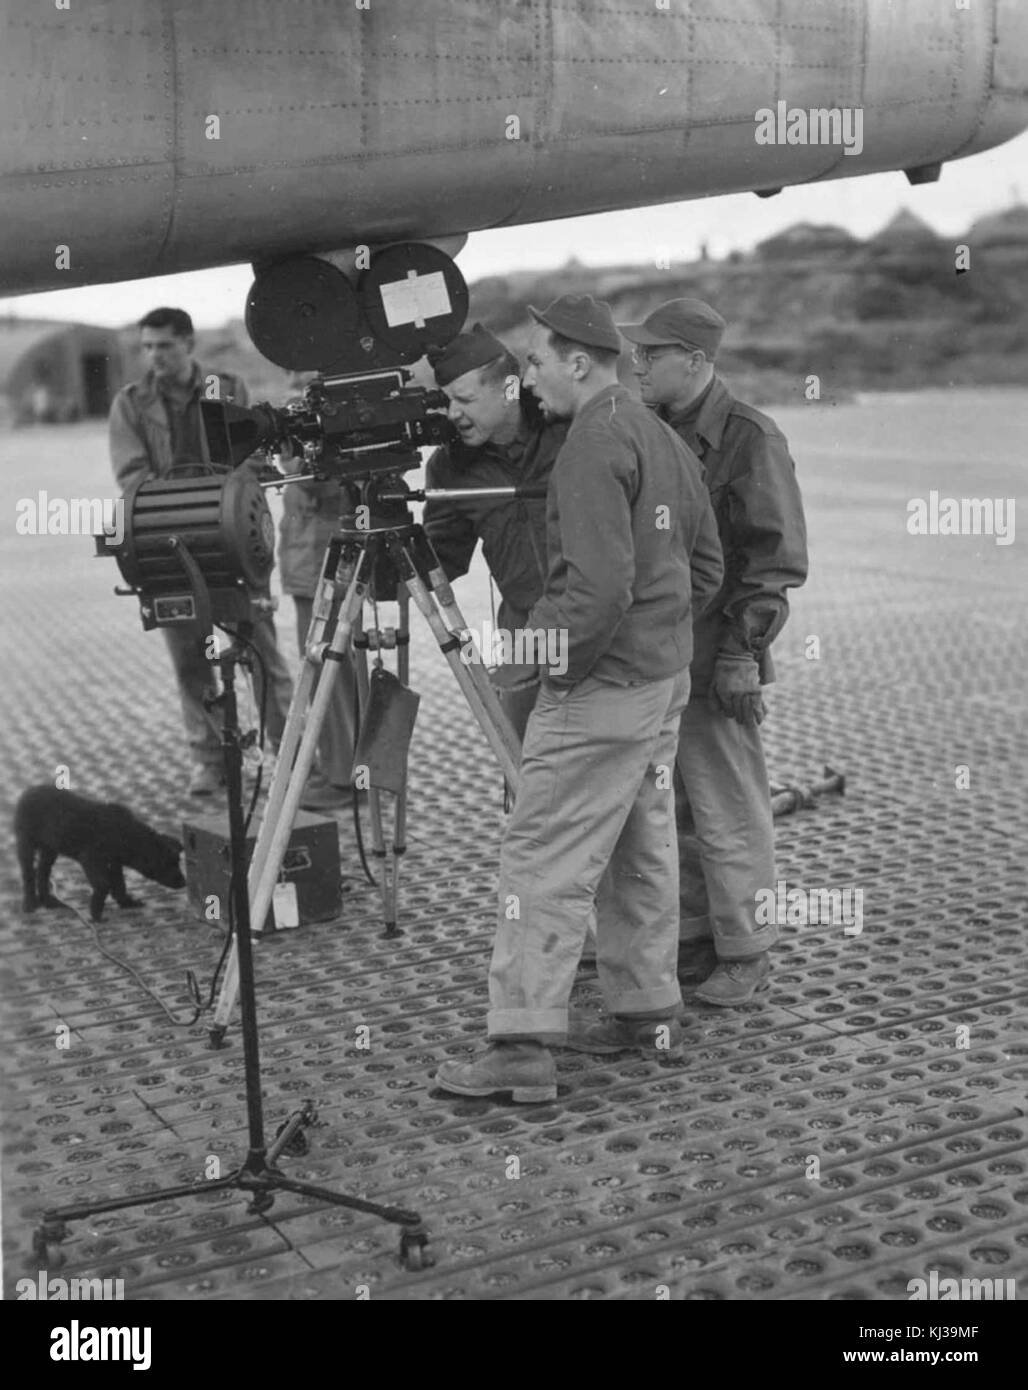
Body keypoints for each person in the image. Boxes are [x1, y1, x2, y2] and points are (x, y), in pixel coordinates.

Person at [435, 295, 723, 1103]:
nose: (526, 377)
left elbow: (594, 592)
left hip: (597, 683)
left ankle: (521, 1047)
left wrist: (544, 666)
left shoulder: (591, 445)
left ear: (578, 362)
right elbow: (705, 565)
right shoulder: (657, 432)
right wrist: (662, 641)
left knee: (542, 858)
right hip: (659, 679)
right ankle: (646, 1010)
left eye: (532, 361)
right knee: (640, 846)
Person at [619, 298, 809, 1005]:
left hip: (718, 651)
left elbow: (773, 559)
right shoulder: (655, 430)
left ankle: (749, 951)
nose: (637, 365)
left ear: (695, 362)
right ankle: (700, 935)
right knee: (684, 807)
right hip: (666, 653)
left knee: (730, 807)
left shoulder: (749, 438)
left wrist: (740, 654)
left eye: (652, 354)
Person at [109, 307, 294, 796]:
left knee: (260, 653)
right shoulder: (130, 404)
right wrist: (186, 505)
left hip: (232, 545)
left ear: (188, 344)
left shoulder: (226, 388)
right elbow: (131, 479)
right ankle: (211, 763)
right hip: (167, 549)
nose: (154, 356)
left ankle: (291, 759)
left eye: (164, 346)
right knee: (192, 662)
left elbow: (250, 455)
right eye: (147, 347)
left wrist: (224, 505)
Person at [423, 323, 568, 742]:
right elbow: (441, 558)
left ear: (508, 390)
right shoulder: (450, 466)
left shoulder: (570, 432)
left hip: (591, 624)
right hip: (522, 634)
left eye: (465, 400)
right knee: (526, 767)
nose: (453, 414)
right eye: (447, 401)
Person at [275, 375, 360, 810]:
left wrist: (291, 462)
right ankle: (345, 769)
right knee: (335, 668)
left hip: (324, 561)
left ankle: (342, 775)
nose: (293, 383)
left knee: (329, 670)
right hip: (312, 561)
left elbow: (317, 482)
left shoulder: (328, 418)